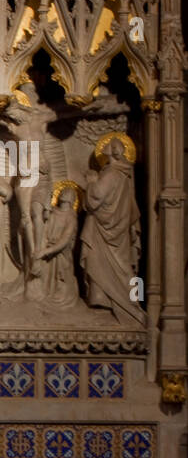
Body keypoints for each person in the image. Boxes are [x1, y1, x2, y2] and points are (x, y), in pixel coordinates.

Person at [80, 137, 144, 324]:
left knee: (107, 264)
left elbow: (96, 198)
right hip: (118, 228)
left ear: (114, 151)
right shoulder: (124, 175)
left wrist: (91, 182)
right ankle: (110, 300)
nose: (104, 145)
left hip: (105, 229)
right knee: (121, 266)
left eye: (108, 144)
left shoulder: (111, 174)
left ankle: (131, 306)